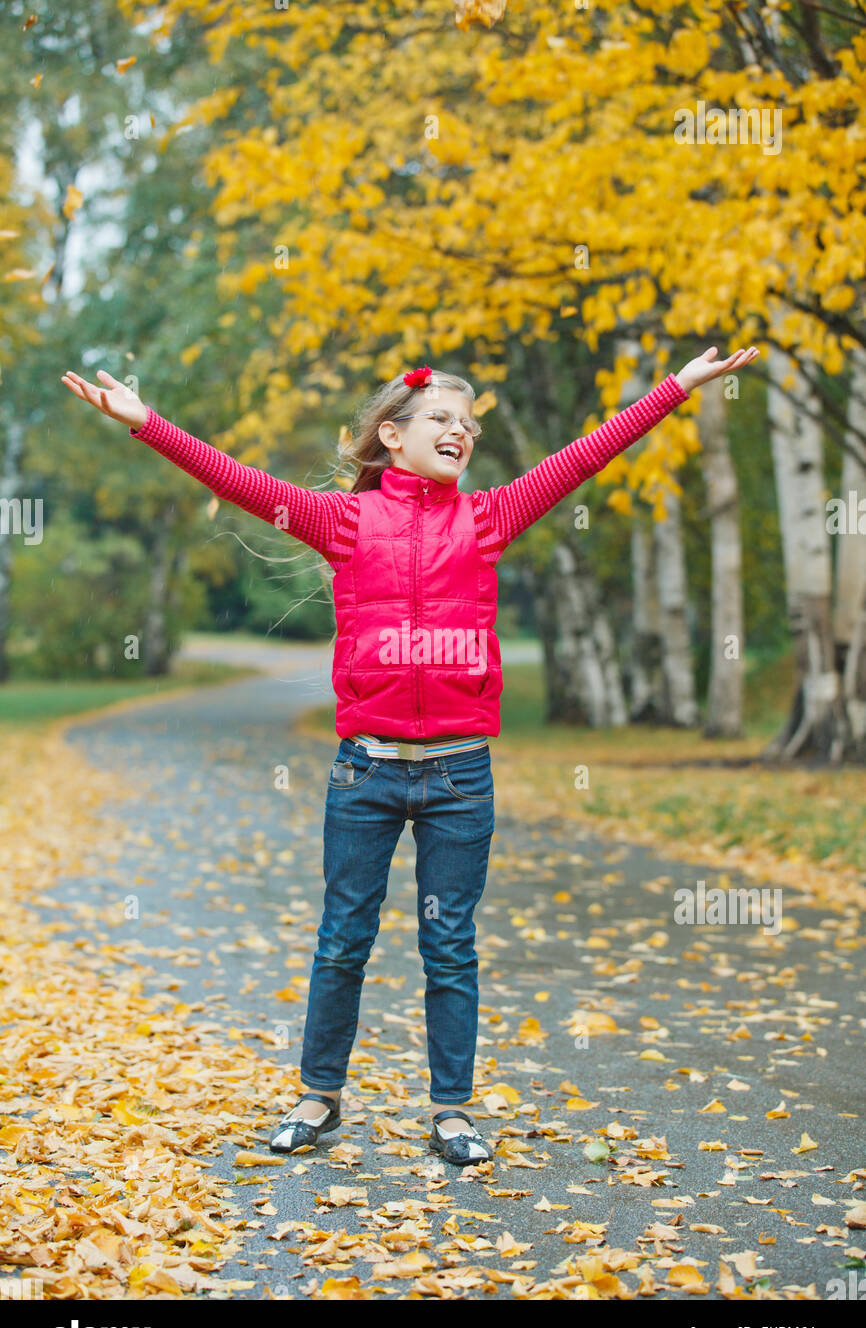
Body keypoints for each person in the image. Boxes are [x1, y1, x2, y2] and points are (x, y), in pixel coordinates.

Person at [60, 344, 759, 1166]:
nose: (458, 431)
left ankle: (452, 1111)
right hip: (367, 770)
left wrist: (674, 388)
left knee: (450, 945)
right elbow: (242, 482)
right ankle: (317, 1100)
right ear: (392, 435)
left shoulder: (488, 517)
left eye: (467, 424)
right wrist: (146, 423)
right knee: (342, 939)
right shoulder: (344, 522)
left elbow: (584, 456)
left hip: (461, 775)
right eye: (440, 418)